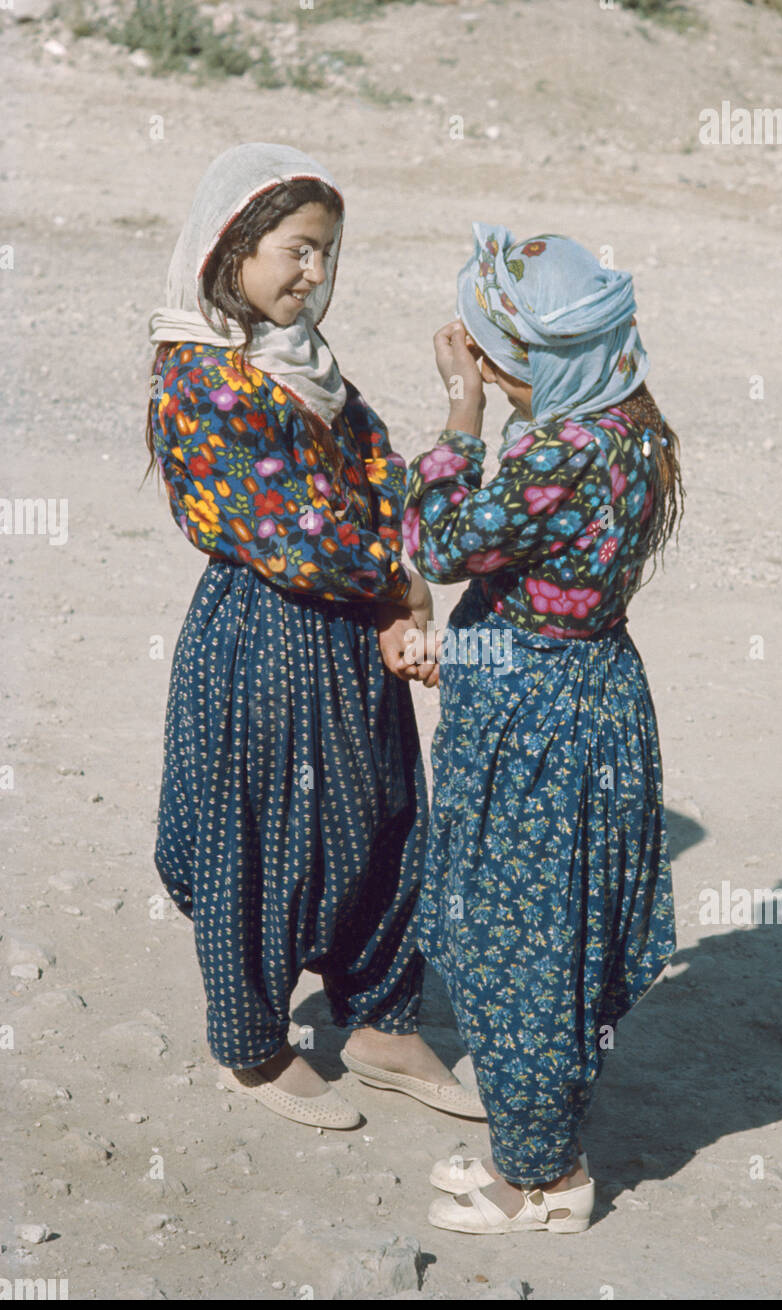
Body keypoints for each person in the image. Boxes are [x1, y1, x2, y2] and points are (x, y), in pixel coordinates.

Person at [145, 143, 483, 1130]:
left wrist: (396, 597)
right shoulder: (200, 378)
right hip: (265, 635)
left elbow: (378, 464)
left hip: (347, 628)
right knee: (261, 835)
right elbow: (292, 529)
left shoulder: (304, 364)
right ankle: (249, 1047)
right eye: (297, 249)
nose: (314, 274)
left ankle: (379, 1020)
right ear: (231, 246)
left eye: (328, 255)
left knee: (383, 815)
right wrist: (398, 582)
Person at [402, 223, 683, 1231]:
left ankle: (541, 1180)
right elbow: (546, 575)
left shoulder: (562, 448)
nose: (477, 363)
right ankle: (539, 1142)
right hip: (594, 693)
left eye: (489, 350)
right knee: (559, 936)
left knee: (521, 942)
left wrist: (459, 415)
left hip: (539, 723)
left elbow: (438, 543)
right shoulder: (632, 425)